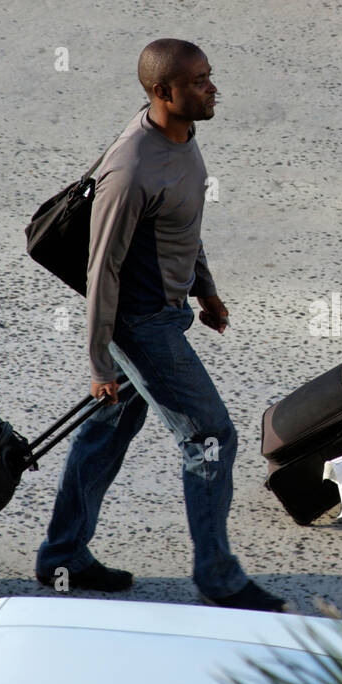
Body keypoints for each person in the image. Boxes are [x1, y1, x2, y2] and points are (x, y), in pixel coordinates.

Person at [35, 38, 286, 612]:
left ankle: (63, 555)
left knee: (110, 426)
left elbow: (182, 227)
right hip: (139, 323)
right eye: (198, 82)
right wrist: (100, 360)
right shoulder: (131, 168)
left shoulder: (182, 137)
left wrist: (206, 287)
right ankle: (218, 578)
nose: (211, 88)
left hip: (168, 309)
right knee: (210, 436)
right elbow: (102, 270)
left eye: (209, 75)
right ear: (161, 92)